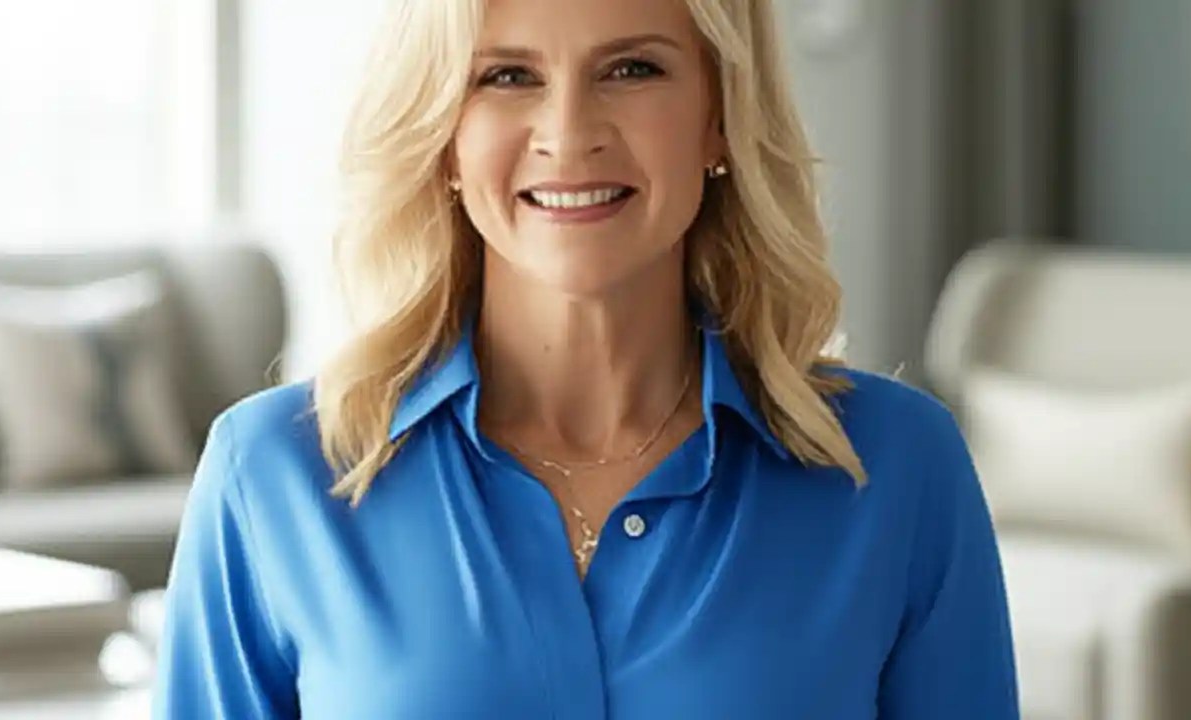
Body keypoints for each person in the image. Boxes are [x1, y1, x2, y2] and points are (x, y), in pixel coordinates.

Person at [153, 0, 1019, 717]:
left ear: (719, 118)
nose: (568, 134)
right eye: (507, 76)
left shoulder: (897, 468)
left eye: (632, 69)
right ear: (443, 132)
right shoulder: (271, 476)